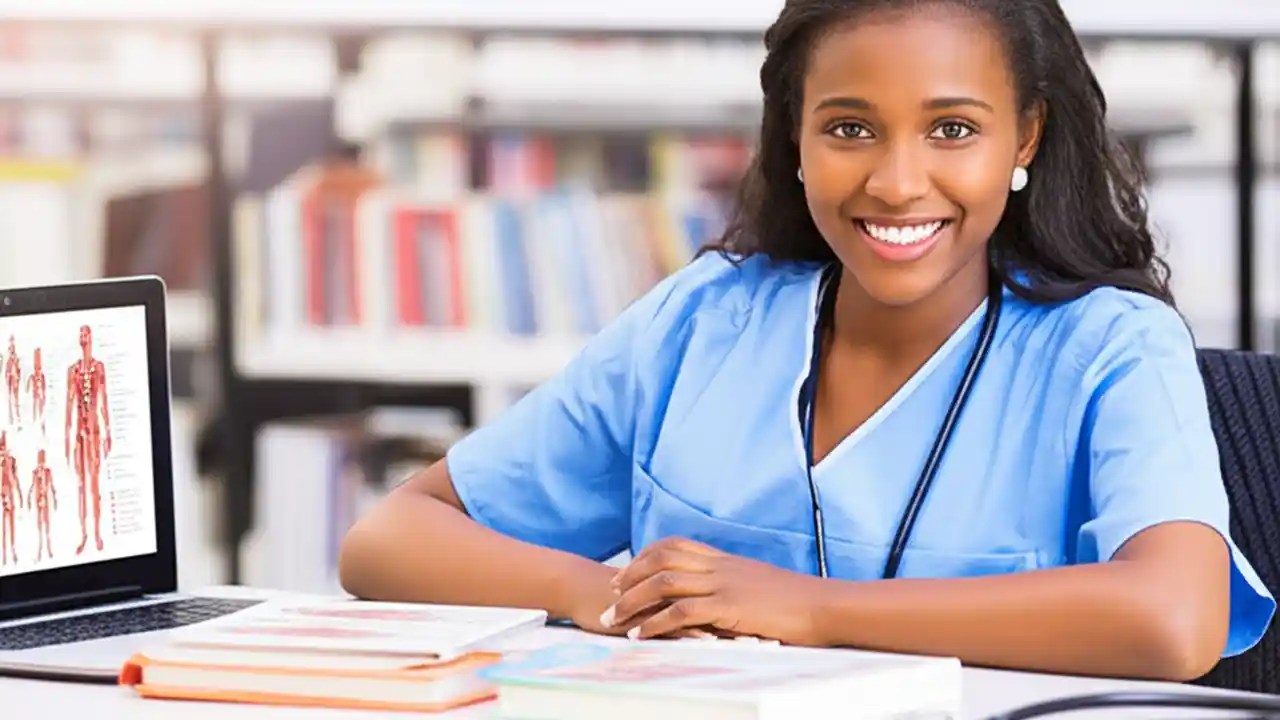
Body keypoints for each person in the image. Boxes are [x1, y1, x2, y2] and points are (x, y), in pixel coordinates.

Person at [339, 0, 1275, 682]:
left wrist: (803, 610)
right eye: (849, 128)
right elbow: (390, 539)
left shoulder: (1111, 347)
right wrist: (612, 600)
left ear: (1025, 137)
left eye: (953, 129)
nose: (899, 182)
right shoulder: (706, 320)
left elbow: (1174, 618)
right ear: (794, 136)